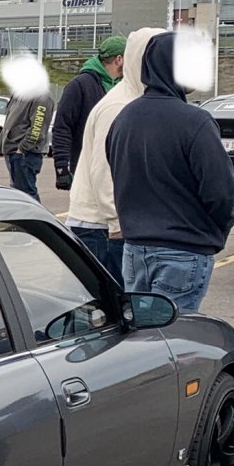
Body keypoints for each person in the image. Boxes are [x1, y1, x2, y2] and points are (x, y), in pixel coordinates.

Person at [105, 32, 234, 313]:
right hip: (183, 248)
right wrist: (213, 232)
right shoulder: (195, 121)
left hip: (135, 247)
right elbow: (222, 191)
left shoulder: (124, 118)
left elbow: (118, 174)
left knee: (143, 338)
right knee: (175, 342)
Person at [66, 28, 164, 285]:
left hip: (113, 225)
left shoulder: (135, 100)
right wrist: (117, 222)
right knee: (110, 309)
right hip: (100, 228)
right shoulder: (118, 106)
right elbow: (103, 169)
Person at [52, 35, 125, 190]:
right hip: (86, 169)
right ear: (119, 59)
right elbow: (62, 127)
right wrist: (62, 167)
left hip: (116, 170)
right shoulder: (79, 86)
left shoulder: (124, 86)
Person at [3, 76, 54, 201]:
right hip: (13, 152)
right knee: (18, 196)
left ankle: (37, 220)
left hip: (25, 154)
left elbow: (38, 126)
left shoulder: (41, 97)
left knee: (27, 196)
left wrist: (23, 148)